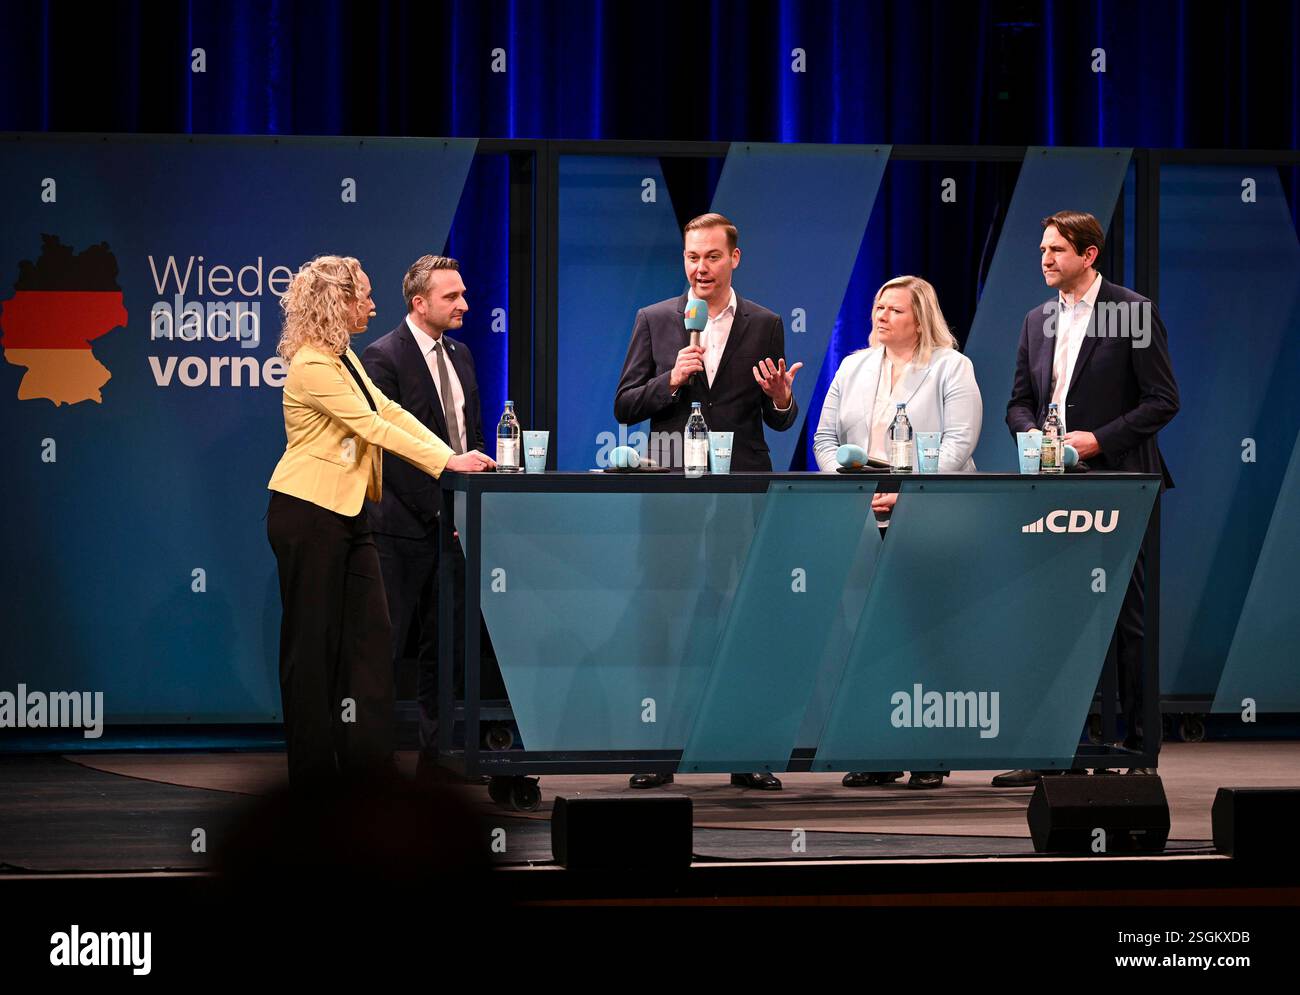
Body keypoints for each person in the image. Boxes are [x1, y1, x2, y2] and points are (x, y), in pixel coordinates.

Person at [266, 255, 494, 788]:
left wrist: (449, 455)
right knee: (311, 648)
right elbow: (369, 425)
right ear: (337, 302)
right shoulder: (311, 363)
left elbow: (389, 411)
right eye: (362, 296)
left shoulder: (343, 356)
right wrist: (444, 462)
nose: (371, 304)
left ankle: (368, 771)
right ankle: (313, 777)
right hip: (307, 513)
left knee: (371, 644)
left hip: (349, 515)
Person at [614, 212, 802, 791]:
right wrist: (670, 380)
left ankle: (746, 750)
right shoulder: (656, 319)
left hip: (741, 488)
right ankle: (657, 749)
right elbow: (624, 405)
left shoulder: (765, 323)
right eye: (693, 257)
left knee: (737, 617)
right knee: (664, 618)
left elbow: (776, 421)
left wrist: (781, 400)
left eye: (712, 257)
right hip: (671, 490)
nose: (701, 267)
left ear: (734, 259)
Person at [994, 210, 1179, 786]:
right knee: (1059, 617)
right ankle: (1063, 744)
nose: (1045, 260)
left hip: (1121, 483)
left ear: (1088, 255)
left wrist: (1097, 441)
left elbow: (1162, 400)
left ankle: (1135, 749)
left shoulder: (1132, 312)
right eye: (1042, 249)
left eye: (1056, 251)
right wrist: (1031, 435)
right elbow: (1019, 400)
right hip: (1055, 487)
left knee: (1127, 619)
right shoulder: (1036, 319)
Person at [813, 275, 983, 789]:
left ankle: (931, 751)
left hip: (929, 518)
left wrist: (908, 492)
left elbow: (958, 444)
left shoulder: (951, 367)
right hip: (861, 514)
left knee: (926, 634)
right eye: (878, 307)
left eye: (895, 310)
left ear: (920, 318)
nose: (881, 316)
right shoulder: (853, 365)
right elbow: (824, 437)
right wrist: (846, 490)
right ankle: (876, 750)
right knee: (869, 637)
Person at [361, 255, 501, 767]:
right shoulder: (382, 357)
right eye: (452, 296)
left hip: (457, 528)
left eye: (463, 294)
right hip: (402, 530)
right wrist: (443, 511)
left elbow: (473, 435)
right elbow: (391, 452)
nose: (464, 304)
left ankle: (437, 756)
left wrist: (468, 506)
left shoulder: (462, 355)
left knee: (448, 650)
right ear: (419, 304)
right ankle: (371, 763)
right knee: (389, 645)